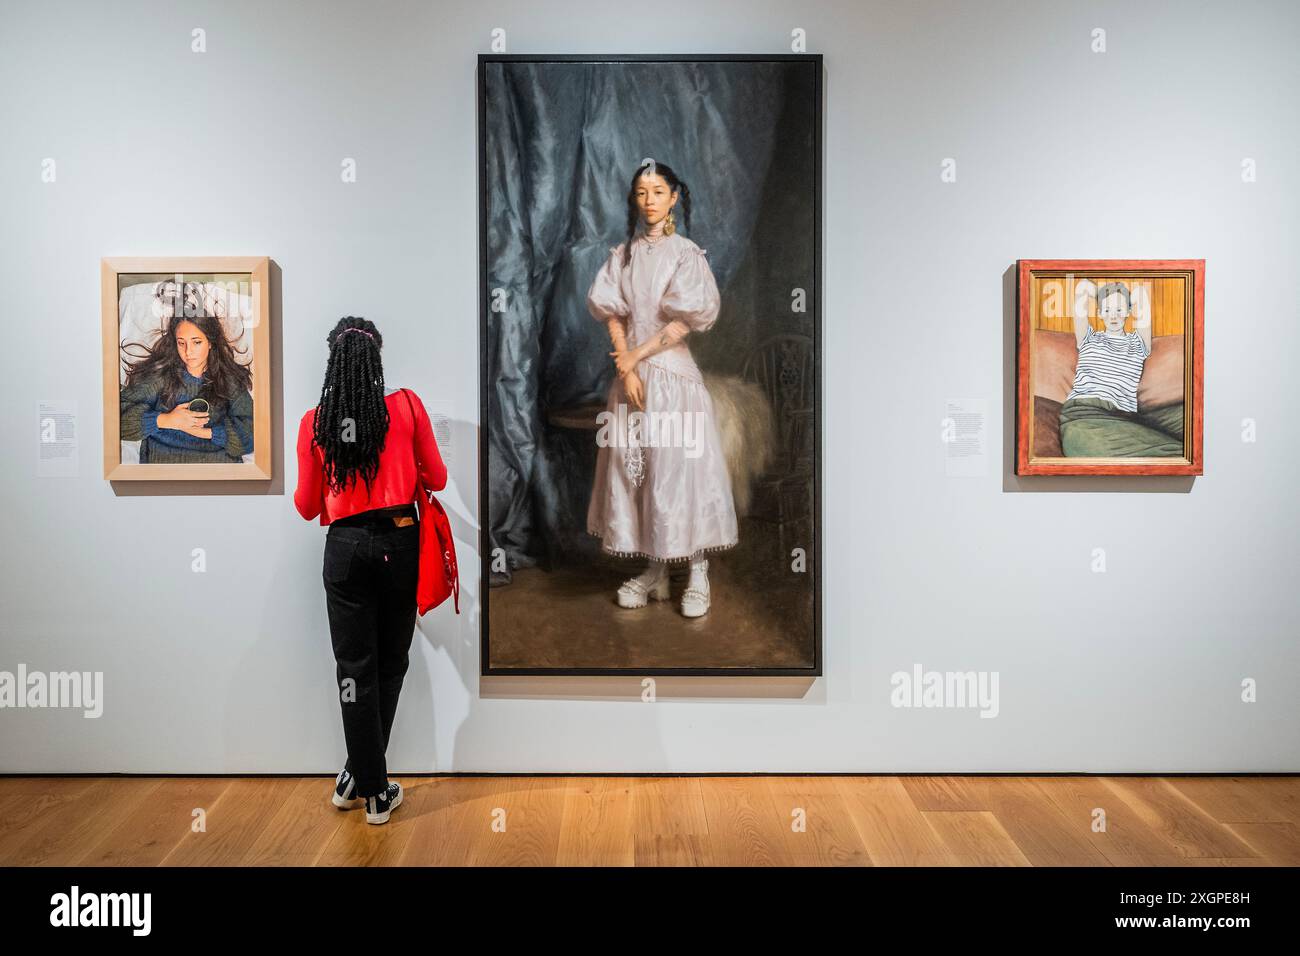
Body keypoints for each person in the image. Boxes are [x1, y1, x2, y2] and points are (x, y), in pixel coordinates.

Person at [293, 316, 447, 825]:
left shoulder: (315, 422)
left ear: (333, 361)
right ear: (376, 358)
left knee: (353, 672)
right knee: (391, 663)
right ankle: (374, 789)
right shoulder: (405, 407)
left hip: (344, 549)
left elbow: (305, 505)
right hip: (400, 542)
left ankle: (360, 782)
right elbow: (439, 478)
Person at [585, 160, 738, 618]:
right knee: (642, 476)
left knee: (679, 474)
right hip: (632, 384)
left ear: (674, 197)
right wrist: (626, 366)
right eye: (641, 193)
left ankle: (696, 571)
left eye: (657, 192)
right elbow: (613, 311)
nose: (649, 200)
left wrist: (638, 356)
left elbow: (684, 321)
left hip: (672, 380)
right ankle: (655, 572)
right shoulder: (623, 255)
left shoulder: (686, 254)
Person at [119, 280, 253, 463]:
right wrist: (166, 420)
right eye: (182, 343)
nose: (188, 352)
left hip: (219, 470)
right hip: (163, 468)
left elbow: (252, 431)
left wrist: (206, 432)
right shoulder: (160, 375)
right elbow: (118, 419)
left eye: (197, 342)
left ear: (211, 342)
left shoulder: (227, 379)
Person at [1059, 279, 1183, 457]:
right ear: (1100, 313)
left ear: (1128, 311)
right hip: (1086, 411)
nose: (1113, 316)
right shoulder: (1088, 338)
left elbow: (1141, 293)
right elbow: (1082, 287)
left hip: (1124, 415)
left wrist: (1120, 297)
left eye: (1119, 310)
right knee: (1082, 443)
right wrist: (1105, 296)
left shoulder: (1138, 342)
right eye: (1107, 311)